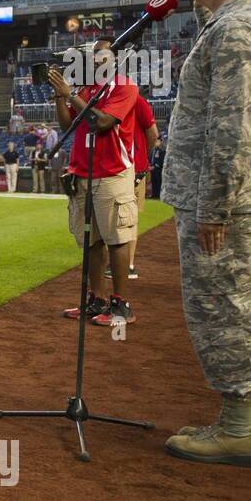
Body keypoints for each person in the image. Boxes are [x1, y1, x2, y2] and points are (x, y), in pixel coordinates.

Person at [162, 0, 251, 466]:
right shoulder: (225, 25)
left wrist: (213, 205)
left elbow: (230, 127)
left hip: (222, 200)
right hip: (222, 195)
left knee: (224, 305)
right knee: (222, 302)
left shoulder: (235, 30)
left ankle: (240, 430)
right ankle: (242, 421)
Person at [49, 37, 139, 327]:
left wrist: (70, 94)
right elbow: (67, 125)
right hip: (83, 172)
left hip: (112, 172)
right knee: (91, 241)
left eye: (101, 55)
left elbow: (102, 122)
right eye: (92, 56)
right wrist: (59, 96)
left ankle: (121, 305)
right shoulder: (87, 89)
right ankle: (96, 299)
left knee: (116, 239)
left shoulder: (124, 86)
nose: (95, 59)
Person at [121, 90, 160, 280]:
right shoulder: (110, 97)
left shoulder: (137, 100)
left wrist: (142, 156)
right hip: (115, 166)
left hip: (134, 167)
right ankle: (118, 263)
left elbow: (153, 134)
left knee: (130, 218)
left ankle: (127, 263)